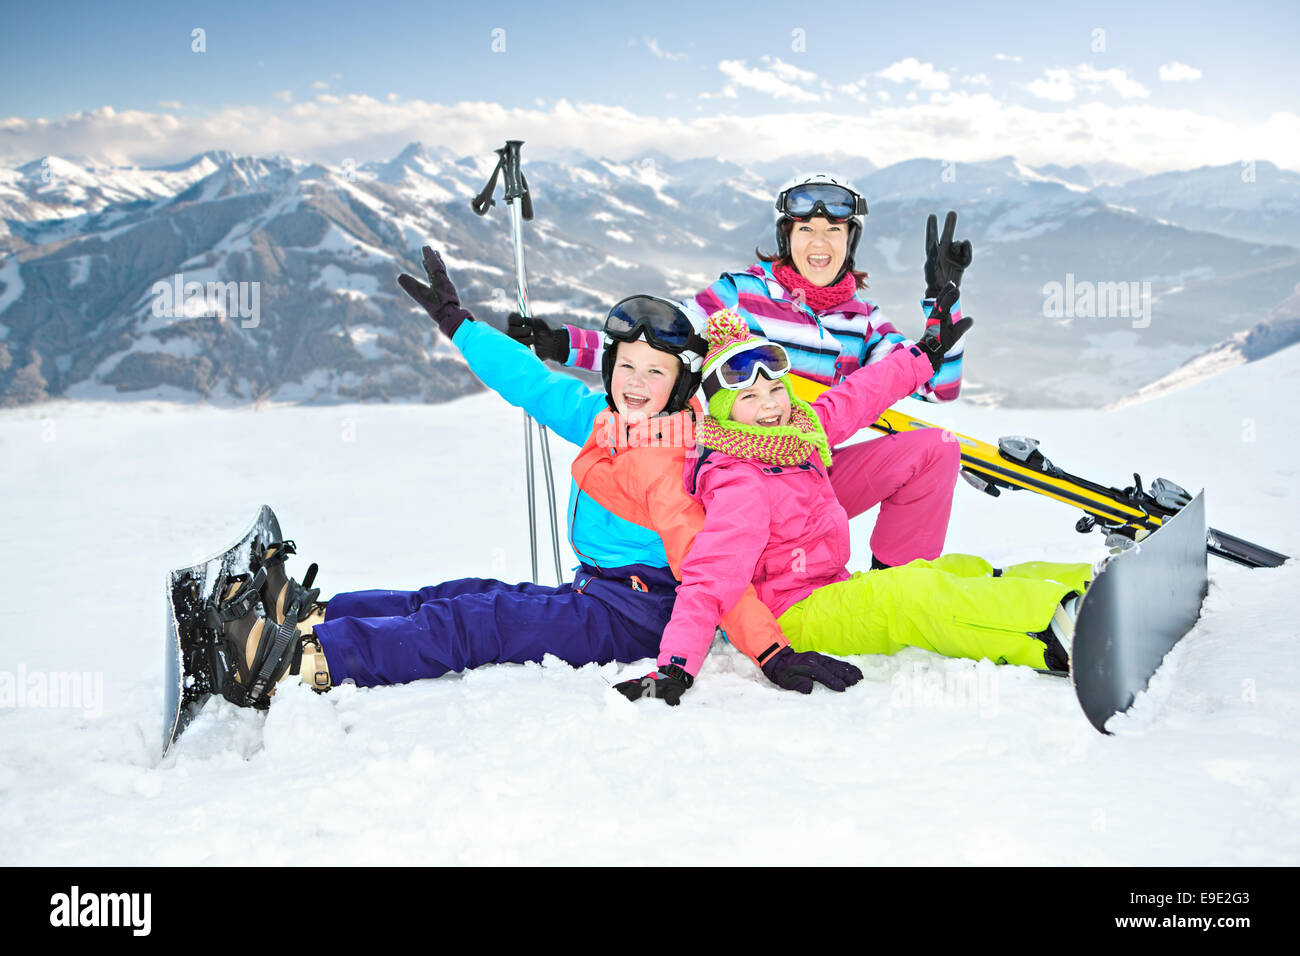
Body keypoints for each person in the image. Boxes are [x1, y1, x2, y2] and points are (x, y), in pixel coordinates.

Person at [205, 248, 861, 708]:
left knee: (478, 623)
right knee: (464, 592)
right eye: (625, 367)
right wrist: (461, 327)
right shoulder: (610, 421)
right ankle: (310, 614)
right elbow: (535, 385)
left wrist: (770, 653)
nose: (636, 384)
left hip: (640, 615)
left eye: (654, 374)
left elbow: (711, 566)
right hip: (603, 591)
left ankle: (297, 661)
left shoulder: (673, 460)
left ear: (681, 385)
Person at [508, 173, 974, 570]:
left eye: (834, 230)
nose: (819, 242)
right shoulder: (743, 293)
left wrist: (941, 304)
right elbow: (664, 344)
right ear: (784, 237)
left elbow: (937, 385)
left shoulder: (863, 322)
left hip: (809, 477)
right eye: (805, 228)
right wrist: (565, 345)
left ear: (850, 240)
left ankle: (896, 587)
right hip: (735, 484)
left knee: (936, 449)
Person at [670, 306, 1091, 673]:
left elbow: (856, 396)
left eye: (776, 389)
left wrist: (924, 354)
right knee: (909, 595)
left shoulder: (797, 434)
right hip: (791, 616)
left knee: (952, 570)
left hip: (830, 588)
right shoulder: (738, 479)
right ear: (724, 413)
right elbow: (710, 575)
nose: (770, 405)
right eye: (749, 397)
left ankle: (1087, 586)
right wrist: (676, 666)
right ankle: (1053, 627)